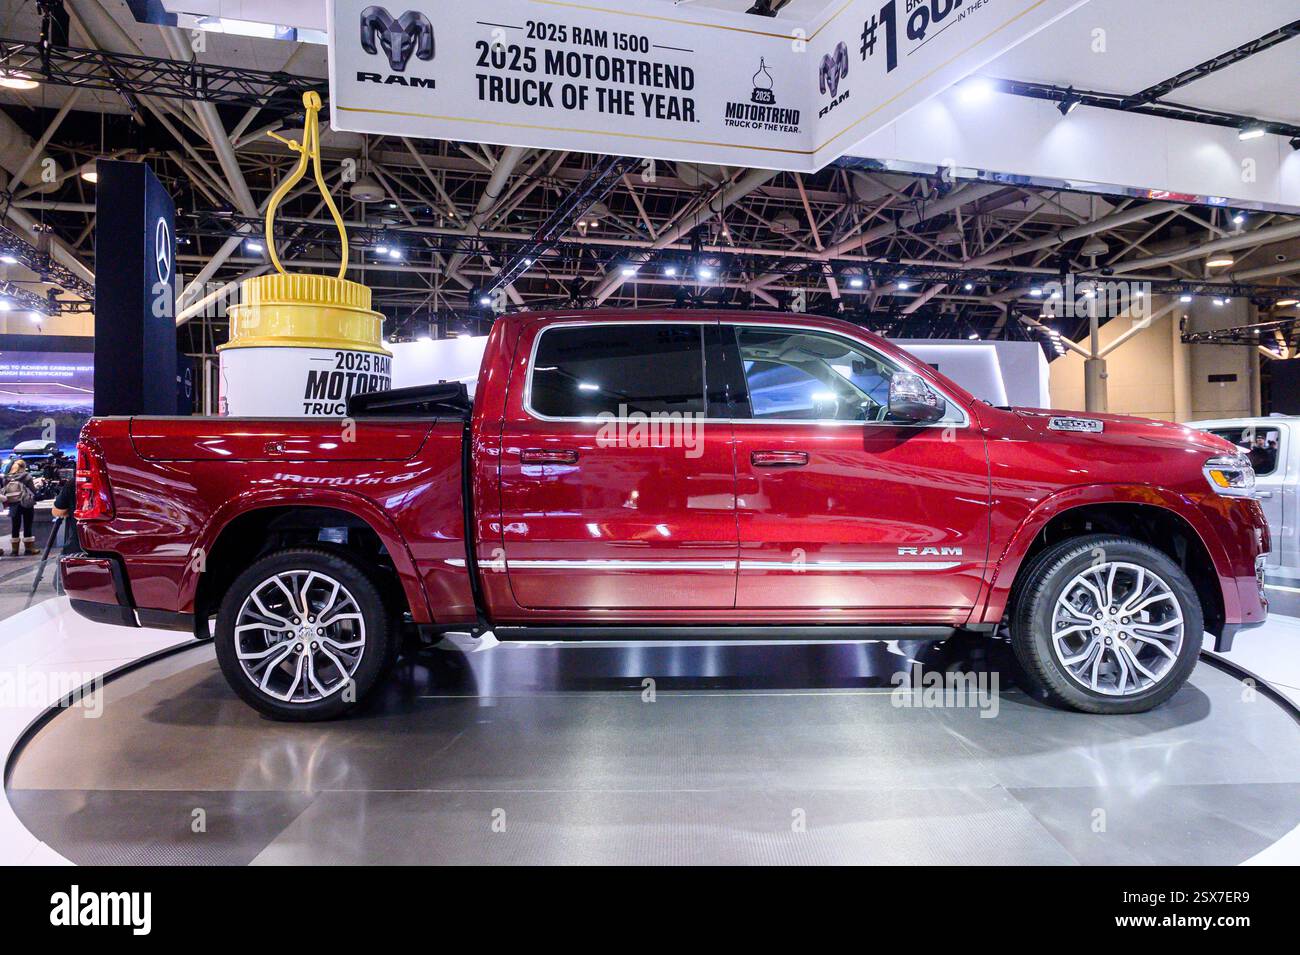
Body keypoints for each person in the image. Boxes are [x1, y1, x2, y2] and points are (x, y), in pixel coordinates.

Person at [2, 459, 37, 555]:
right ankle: (29, 549)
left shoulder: (7, 477)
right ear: (23, 467)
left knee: (15, 526)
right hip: (26, 503)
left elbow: (5, 490)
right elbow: (33, 490)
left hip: (13, 503)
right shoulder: (26, 476)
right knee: (27, 525)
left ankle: (14, 551)